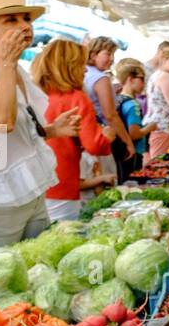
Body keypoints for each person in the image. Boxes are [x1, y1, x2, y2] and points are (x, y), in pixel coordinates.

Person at [0, 0, 80, 271]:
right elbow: (1, 122)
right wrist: (8, 63)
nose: (24, 26)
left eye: (26, 19)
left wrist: (51, 130)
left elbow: (15, 130)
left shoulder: (17, 70)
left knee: (39, 273)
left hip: (30, 193)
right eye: (11, 20)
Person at [31, 40, 115, 222]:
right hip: (63, 183)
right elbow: (94, 145)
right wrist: (107, 136)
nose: (85, 70)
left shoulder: (36, 95)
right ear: (70, 66)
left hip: (34, 185)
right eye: (81, 64)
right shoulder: (75, 98)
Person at [84, 36, 135, 180]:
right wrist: (128, 141)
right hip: (104, 138)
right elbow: (110, 115)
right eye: (108, 54)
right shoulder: (101, 78)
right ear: (93, 54)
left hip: (87, 138)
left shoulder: (84, 73)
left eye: (113, 54)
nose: (112, 59)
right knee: (109, 180)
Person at [143, 48, 169, 158]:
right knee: (162, 160)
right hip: (164, 124)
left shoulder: (155, 75)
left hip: (156, 123)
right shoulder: (166, 77)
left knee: (159, 157)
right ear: (164, 60)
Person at [116, 59, 156, 161]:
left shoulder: (117, 98)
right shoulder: (133, 105)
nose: (144, 83)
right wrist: (150, 127)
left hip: (120, 150)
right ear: (131, 79)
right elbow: (134, 134)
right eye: (142, 79)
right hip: (134, 152)